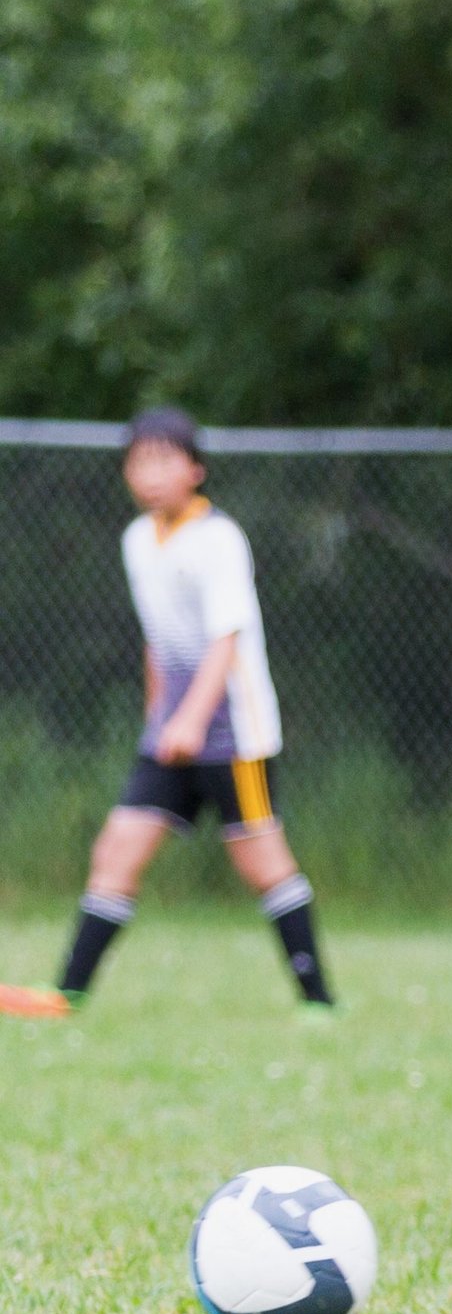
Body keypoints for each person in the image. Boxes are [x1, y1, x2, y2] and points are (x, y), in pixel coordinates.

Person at [0, 408, 334, 1021]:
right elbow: (158, 640)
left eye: (164, 461)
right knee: (116, 851)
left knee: (262, 864)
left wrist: (192, 721)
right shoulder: (137, 540)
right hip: (170, 738)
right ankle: (66, 996)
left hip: (235, 737)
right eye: (139, 462)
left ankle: (319, 1002)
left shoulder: (218, 539)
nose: (150, 475)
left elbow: (225, 641)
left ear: (195, 469)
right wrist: (160, 717)